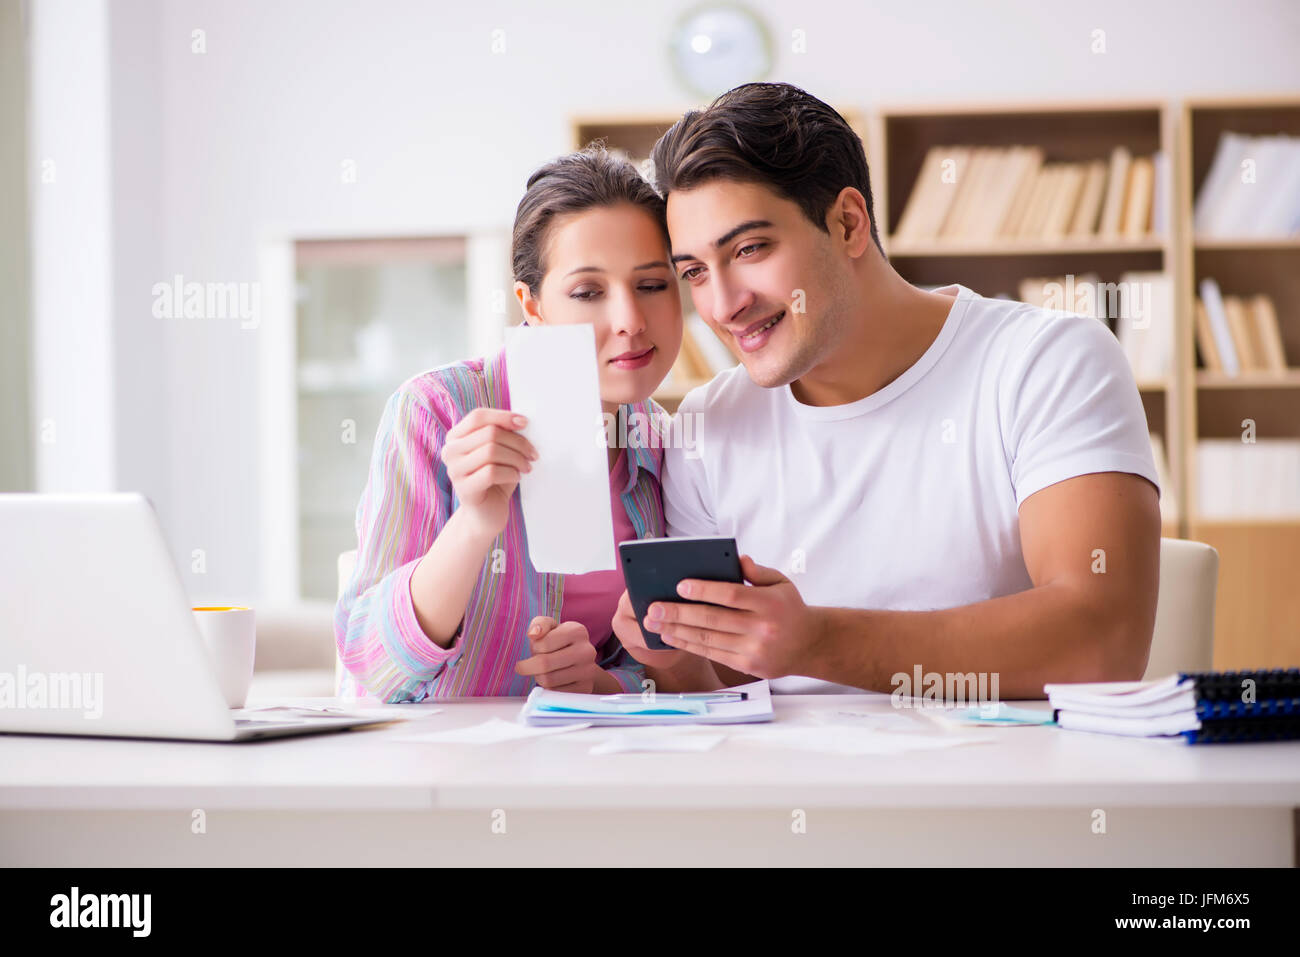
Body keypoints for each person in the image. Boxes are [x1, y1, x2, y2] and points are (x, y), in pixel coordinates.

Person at [611, 82, 1163, 700]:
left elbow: (1101, 641)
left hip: (997, 787)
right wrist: (672, 656)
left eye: (749, 249)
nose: (721, 305)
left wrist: (817, 642)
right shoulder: (711, 421)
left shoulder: (1046, 363)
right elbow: (725, 683)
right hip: (780, 788)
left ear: (848, 223)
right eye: (693, 273)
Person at [335, 146, 683, 702]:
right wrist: (473, 524)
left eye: (651, 284)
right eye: (588, 292)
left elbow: (648, 661)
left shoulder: (661, 443)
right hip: (431, 771)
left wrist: (598, 680)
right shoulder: (433, 410)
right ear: (533, 305)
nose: (630, 322)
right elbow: (373, 666)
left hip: (570, 763)